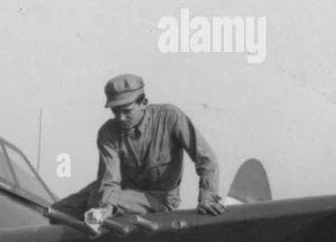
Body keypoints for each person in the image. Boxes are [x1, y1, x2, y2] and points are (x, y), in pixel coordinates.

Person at [54, 73, 224, 221]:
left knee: (93, 214)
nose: (120, 118)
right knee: (58, 212)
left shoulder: (171, 118)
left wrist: (207, 197)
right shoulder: (108, 132)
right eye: (115, 112)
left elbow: (206, 159)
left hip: (159, 198)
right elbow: (109, 179)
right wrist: (104, 207)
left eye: (126, 111)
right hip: (121, 189)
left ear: (144, 103)